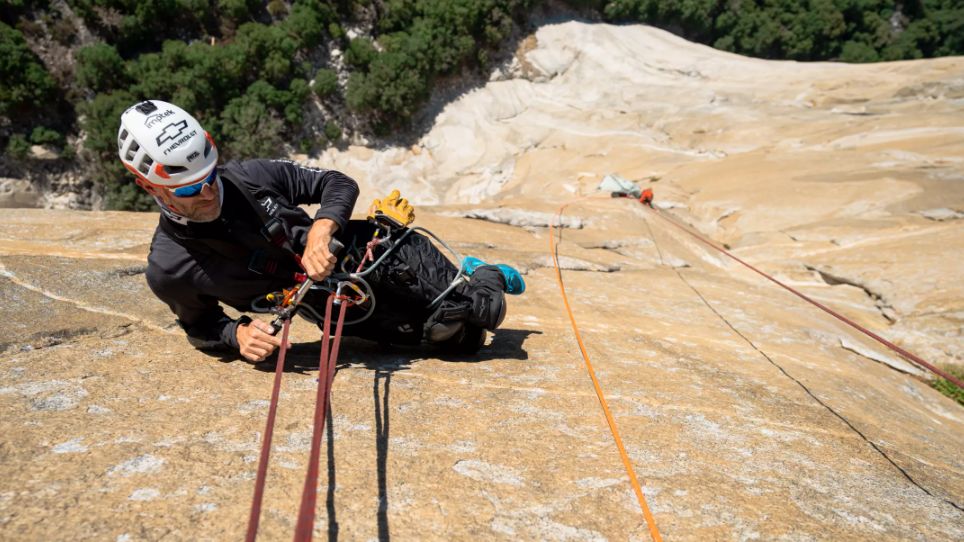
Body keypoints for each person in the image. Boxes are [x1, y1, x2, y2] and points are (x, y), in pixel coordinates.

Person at [117, 100, 522, 362]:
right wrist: (237, 334)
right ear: (147, 185)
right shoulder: (169, 268)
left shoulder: (249, 177)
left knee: (486, 311)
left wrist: (321, 230)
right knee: (456, 341)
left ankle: (485, 274)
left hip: (376, 255)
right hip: (341, 310)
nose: (207, 191)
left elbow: (338, 182)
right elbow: (199, 324)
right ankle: (465, 289)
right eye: (188, 188)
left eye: (209, 175)